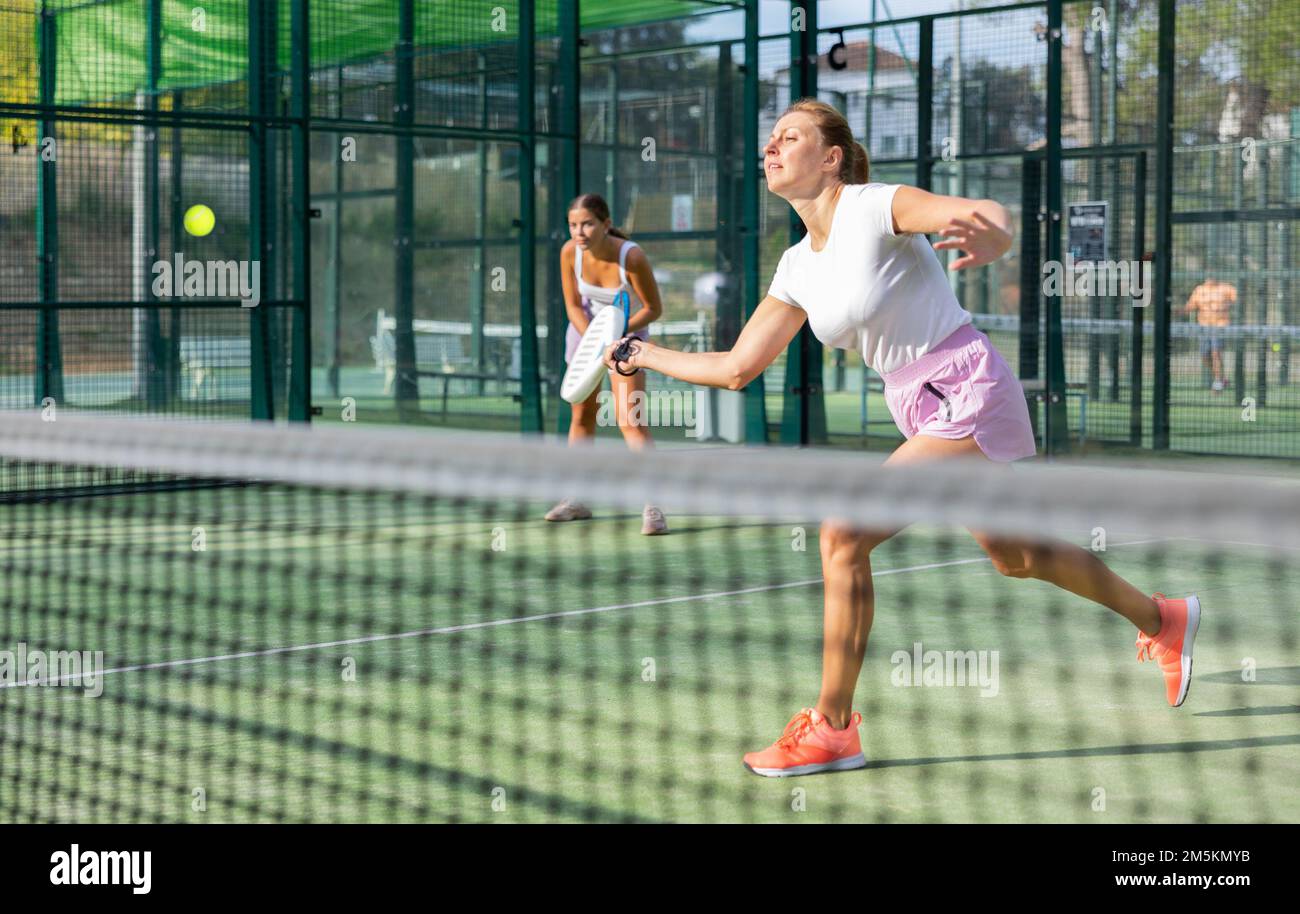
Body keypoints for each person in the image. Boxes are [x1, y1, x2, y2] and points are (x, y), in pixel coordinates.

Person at [604, 99, 1200, 777]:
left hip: (968, 389)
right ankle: (1163, 620)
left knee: (843, 532)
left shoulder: (874, 205)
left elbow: (979, 212)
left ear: (830, 157)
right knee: (1018, 557)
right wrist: (644, 356)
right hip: (919, 406)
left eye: (789, 137)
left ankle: (830, 729)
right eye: (769, 140)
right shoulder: (797, 265)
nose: (771, 148)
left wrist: (996, 239)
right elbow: (738, 368)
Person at [546, 193, 668, 535]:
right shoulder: (570, 252)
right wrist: (593, 340)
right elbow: (572, 305)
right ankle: (577, 498)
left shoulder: (632, 257)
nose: (579, 232)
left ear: (606, 224)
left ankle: (653, 504)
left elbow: (652, 308)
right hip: (585, 334)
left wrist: (614, 336)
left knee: (630, 420)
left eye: (587, 223)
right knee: (581, 416)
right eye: (573, 225)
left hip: (626, 338)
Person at [1182, 278, 1237, 392]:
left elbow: (1236, 299)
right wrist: (1179, 309)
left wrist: (1226, 304)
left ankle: (1217, 382)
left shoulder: (1226, 288)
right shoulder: (1199, 290)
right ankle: (1222, 378)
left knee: (1216, 353)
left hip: (1220, 326)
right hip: (1204, 327)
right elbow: (1190, 306)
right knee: (1205, 356)